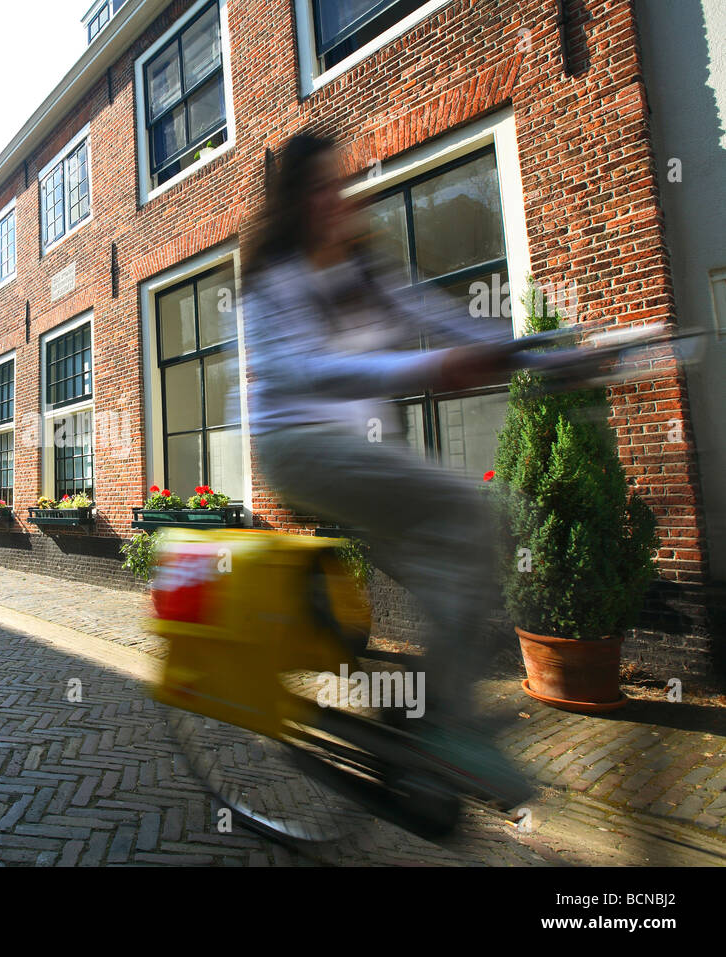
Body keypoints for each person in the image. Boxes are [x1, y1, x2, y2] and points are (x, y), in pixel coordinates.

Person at [240, 132, 531, 808]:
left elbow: (431, 312)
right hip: (299, 445)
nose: (336, 199)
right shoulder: (271, 283)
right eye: (319, 187)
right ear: (295, 203)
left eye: (338, 185)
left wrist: (524, 347)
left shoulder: (363, 273)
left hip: (367, 451)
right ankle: (439, 730)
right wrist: (433, 367)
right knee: (471, 509)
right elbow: (310, 370)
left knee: (455, 564)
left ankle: (406, 721)